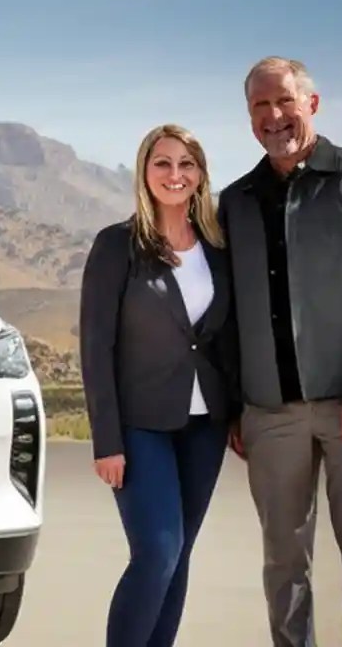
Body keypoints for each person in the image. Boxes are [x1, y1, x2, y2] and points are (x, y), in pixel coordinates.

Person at [218, 56, 342, 647]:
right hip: (269, 413)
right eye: (260, 105)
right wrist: (237, 408)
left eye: (284, 102)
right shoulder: (236, 201)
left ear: (312, 104)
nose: (273, 116)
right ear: (249, 116)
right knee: (283, 561)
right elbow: (225, 315)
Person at [79, 123, 242, 647]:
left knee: (179, 557)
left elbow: (225, 342)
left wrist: (236, 414)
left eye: (186, 164)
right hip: (139, 425)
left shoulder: (218, 249)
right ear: (145, 173)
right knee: (157, 551)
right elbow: (96, 348)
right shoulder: (117, 246)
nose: (175, 174)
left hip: (205, 427)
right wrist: (107, 440)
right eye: (163, 163)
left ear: (201, 174)